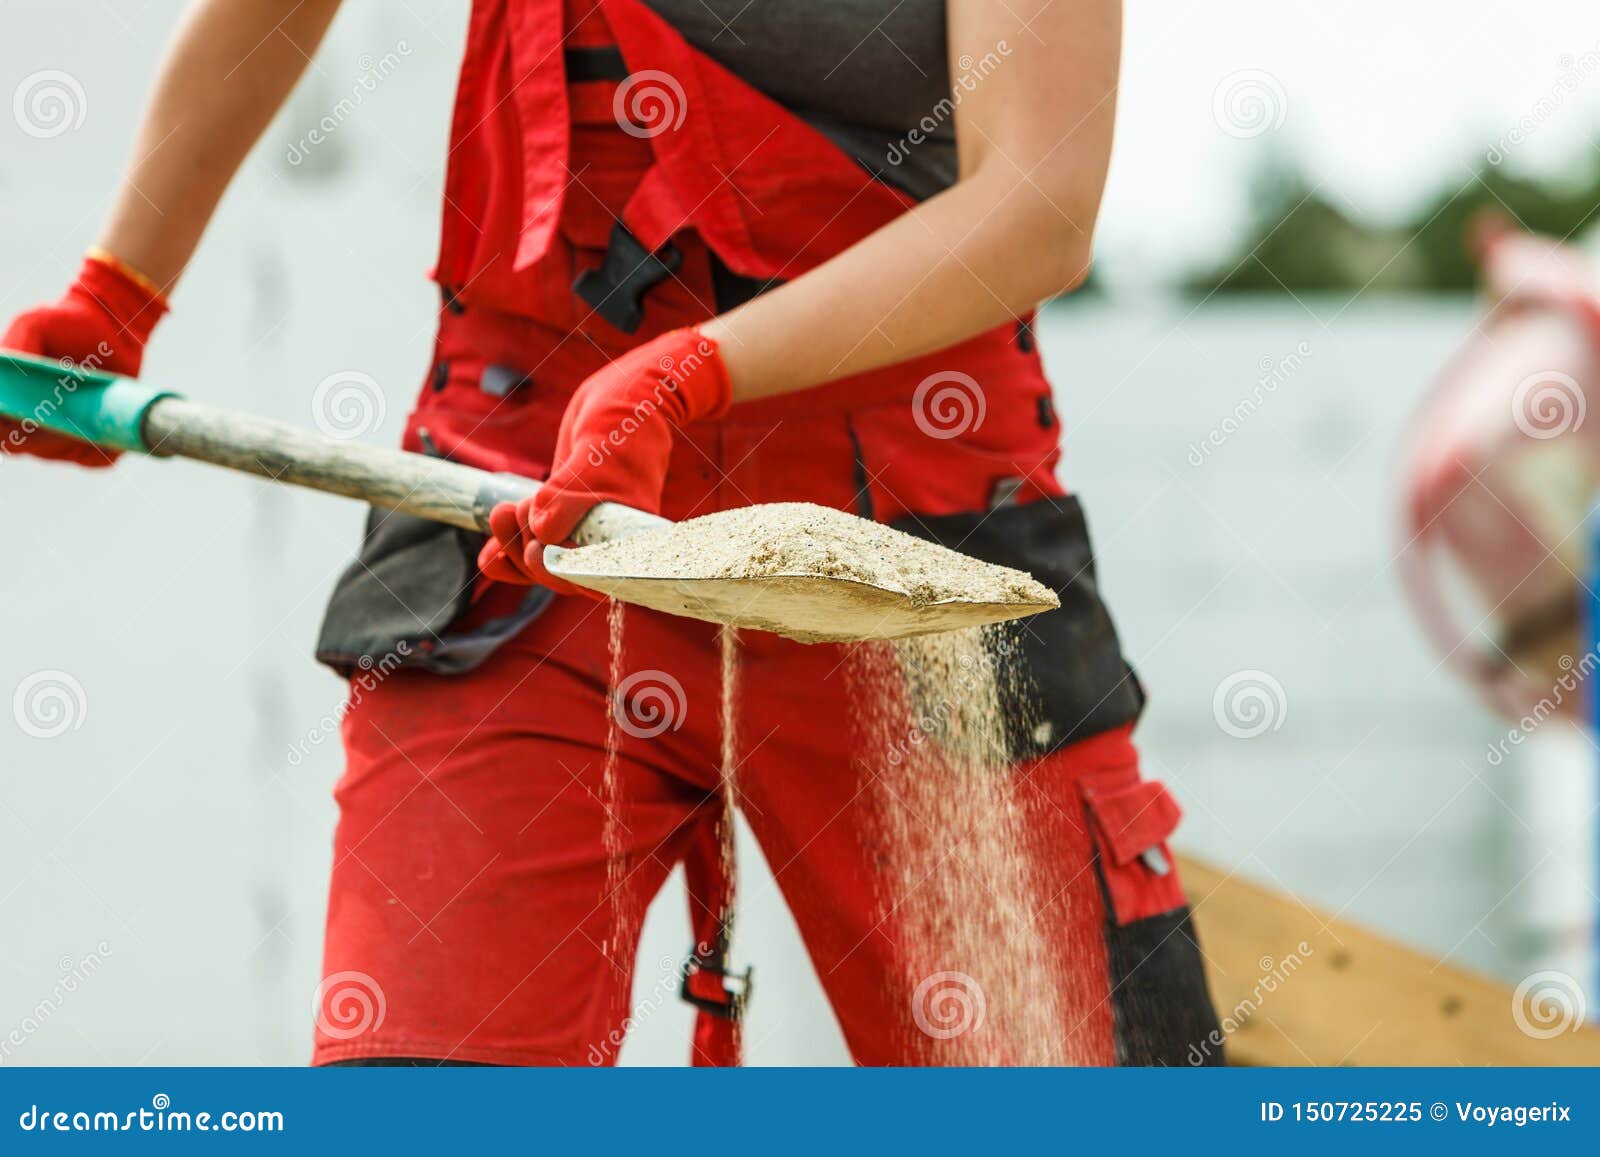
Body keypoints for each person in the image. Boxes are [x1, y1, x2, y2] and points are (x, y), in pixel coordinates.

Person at [2, 0, 1221, 1065]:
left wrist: (691, 372)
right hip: (526, 528)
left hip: (912, 559)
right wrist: (120, 289)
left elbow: (1040, 202)